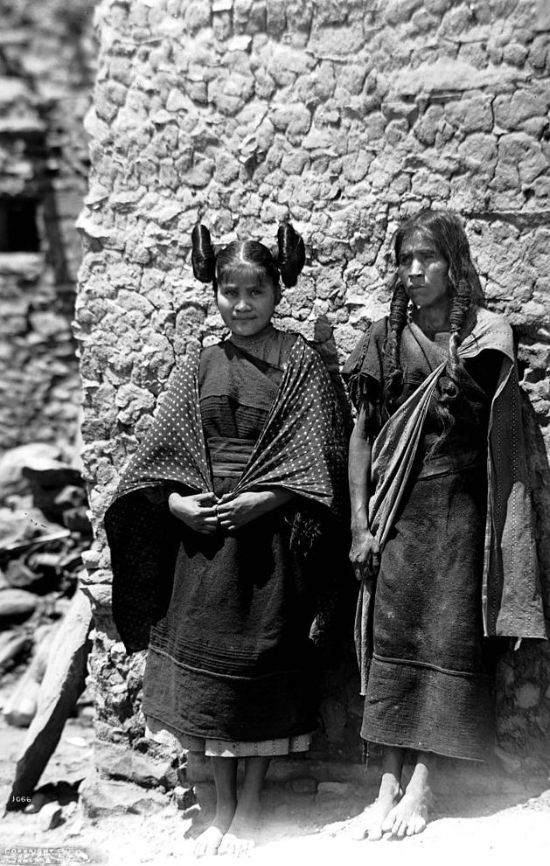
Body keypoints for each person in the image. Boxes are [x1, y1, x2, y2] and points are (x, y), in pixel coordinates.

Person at [104, 222, 348, 855]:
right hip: (204, 550)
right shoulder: (200, 365)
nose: (241, 305)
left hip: (268, 549)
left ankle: (249, 807)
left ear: (278, 292)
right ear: (213, 292)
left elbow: (318, 457)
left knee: (263, 670)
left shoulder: (302, 367)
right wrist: (180, 505)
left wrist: (262, 500)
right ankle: (216, 805)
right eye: (228, 291)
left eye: (255, 292)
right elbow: (161, 455)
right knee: (203, 678)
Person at [343, 209, 546, 841]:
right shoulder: (381, 338)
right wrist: (359, 524)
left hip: (459, 517)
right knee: (391, 644)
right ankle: (386, 784)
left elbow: (500, 441)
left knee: (448, 643)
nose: (413, 271)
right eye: (404, 259)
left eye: (426, 258)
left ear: (453, 263)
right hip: (394, 517)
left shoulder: (487, 336)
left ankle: (425, 787)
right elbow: (363, 435)